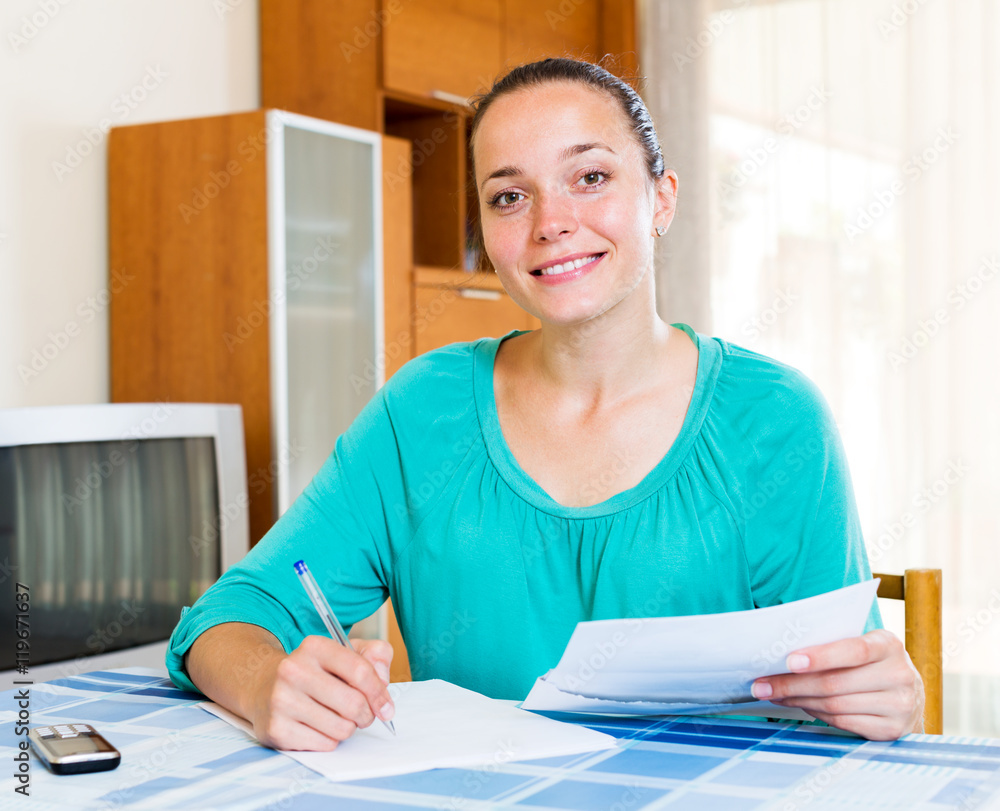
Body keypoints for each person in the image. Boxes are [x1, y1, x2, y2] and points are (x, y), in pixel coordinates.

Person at [168, 57, 924, 749]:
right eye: (508, 195)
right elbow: (225, 619)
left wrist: (884, 698)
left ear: (661, 199)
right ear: (488, 235)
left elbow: (849, 695)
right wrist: (269, 683)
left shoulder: (777, 420)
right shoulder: (419, 414)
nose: (549, 222)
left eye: (589, 177)